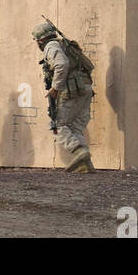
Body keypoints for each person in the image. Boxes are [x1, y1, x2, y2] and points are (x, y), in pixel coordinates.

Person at [34, 20, 95, 173]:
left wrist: (55, 88)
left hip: (72, 90)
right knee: (75, 127)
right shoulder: (64, 45)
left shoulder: (51, 46)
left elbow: (61, 64)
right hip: (85, 88)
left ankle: (80, 153)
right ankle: (85, 165)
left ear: (41, 40)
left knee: (58, 125)